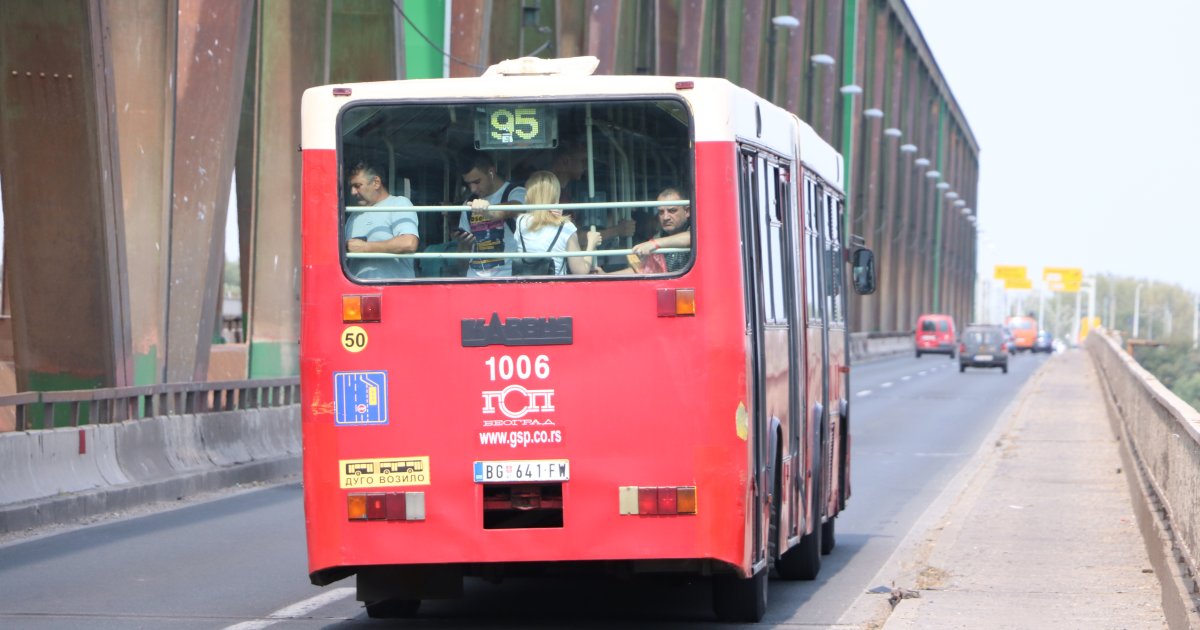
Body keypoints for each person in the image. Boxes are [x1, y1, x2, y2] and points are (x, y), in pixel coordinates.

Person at [505, 171, 600, 275]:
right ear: (556, 195)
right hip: (554, 288)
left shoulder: (521, 221)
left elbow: (537, 220)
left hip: (526, 287)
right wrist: (591, 243)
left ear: (529, 195)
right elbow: (581, 271)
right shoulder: (566, 227)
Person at [454, 153, 526, 277]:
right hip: (473, 278)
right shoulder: (468, 204)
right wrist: (463, 243)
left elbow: (515, 208)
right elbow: (462, 259)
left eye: (477, 182)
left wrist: (487, 211)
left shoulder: (515, 192)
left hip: (508, 277)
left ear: (491, 171)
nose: (472, 189)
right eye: (468, 184)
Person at [344, 162, 419, 279]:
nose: (353, 192)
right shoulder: (353, 216)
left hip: (393, 290)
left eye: (357, 186)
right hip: (358, 291)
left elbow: (409, 243)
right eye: (351, 187)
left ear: (376, 183)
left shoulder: (398, 204)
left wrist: (365, 248)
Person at [606, 187, 692, 274]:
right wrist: (606, 276)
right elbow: (644, 270)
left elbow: (692, 238)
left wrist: (654, 243)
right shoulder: (662, 236)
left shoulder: (695, 228)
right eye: (661, 212)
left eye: (672, 211)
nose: (665, 217)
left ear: (687, 211)